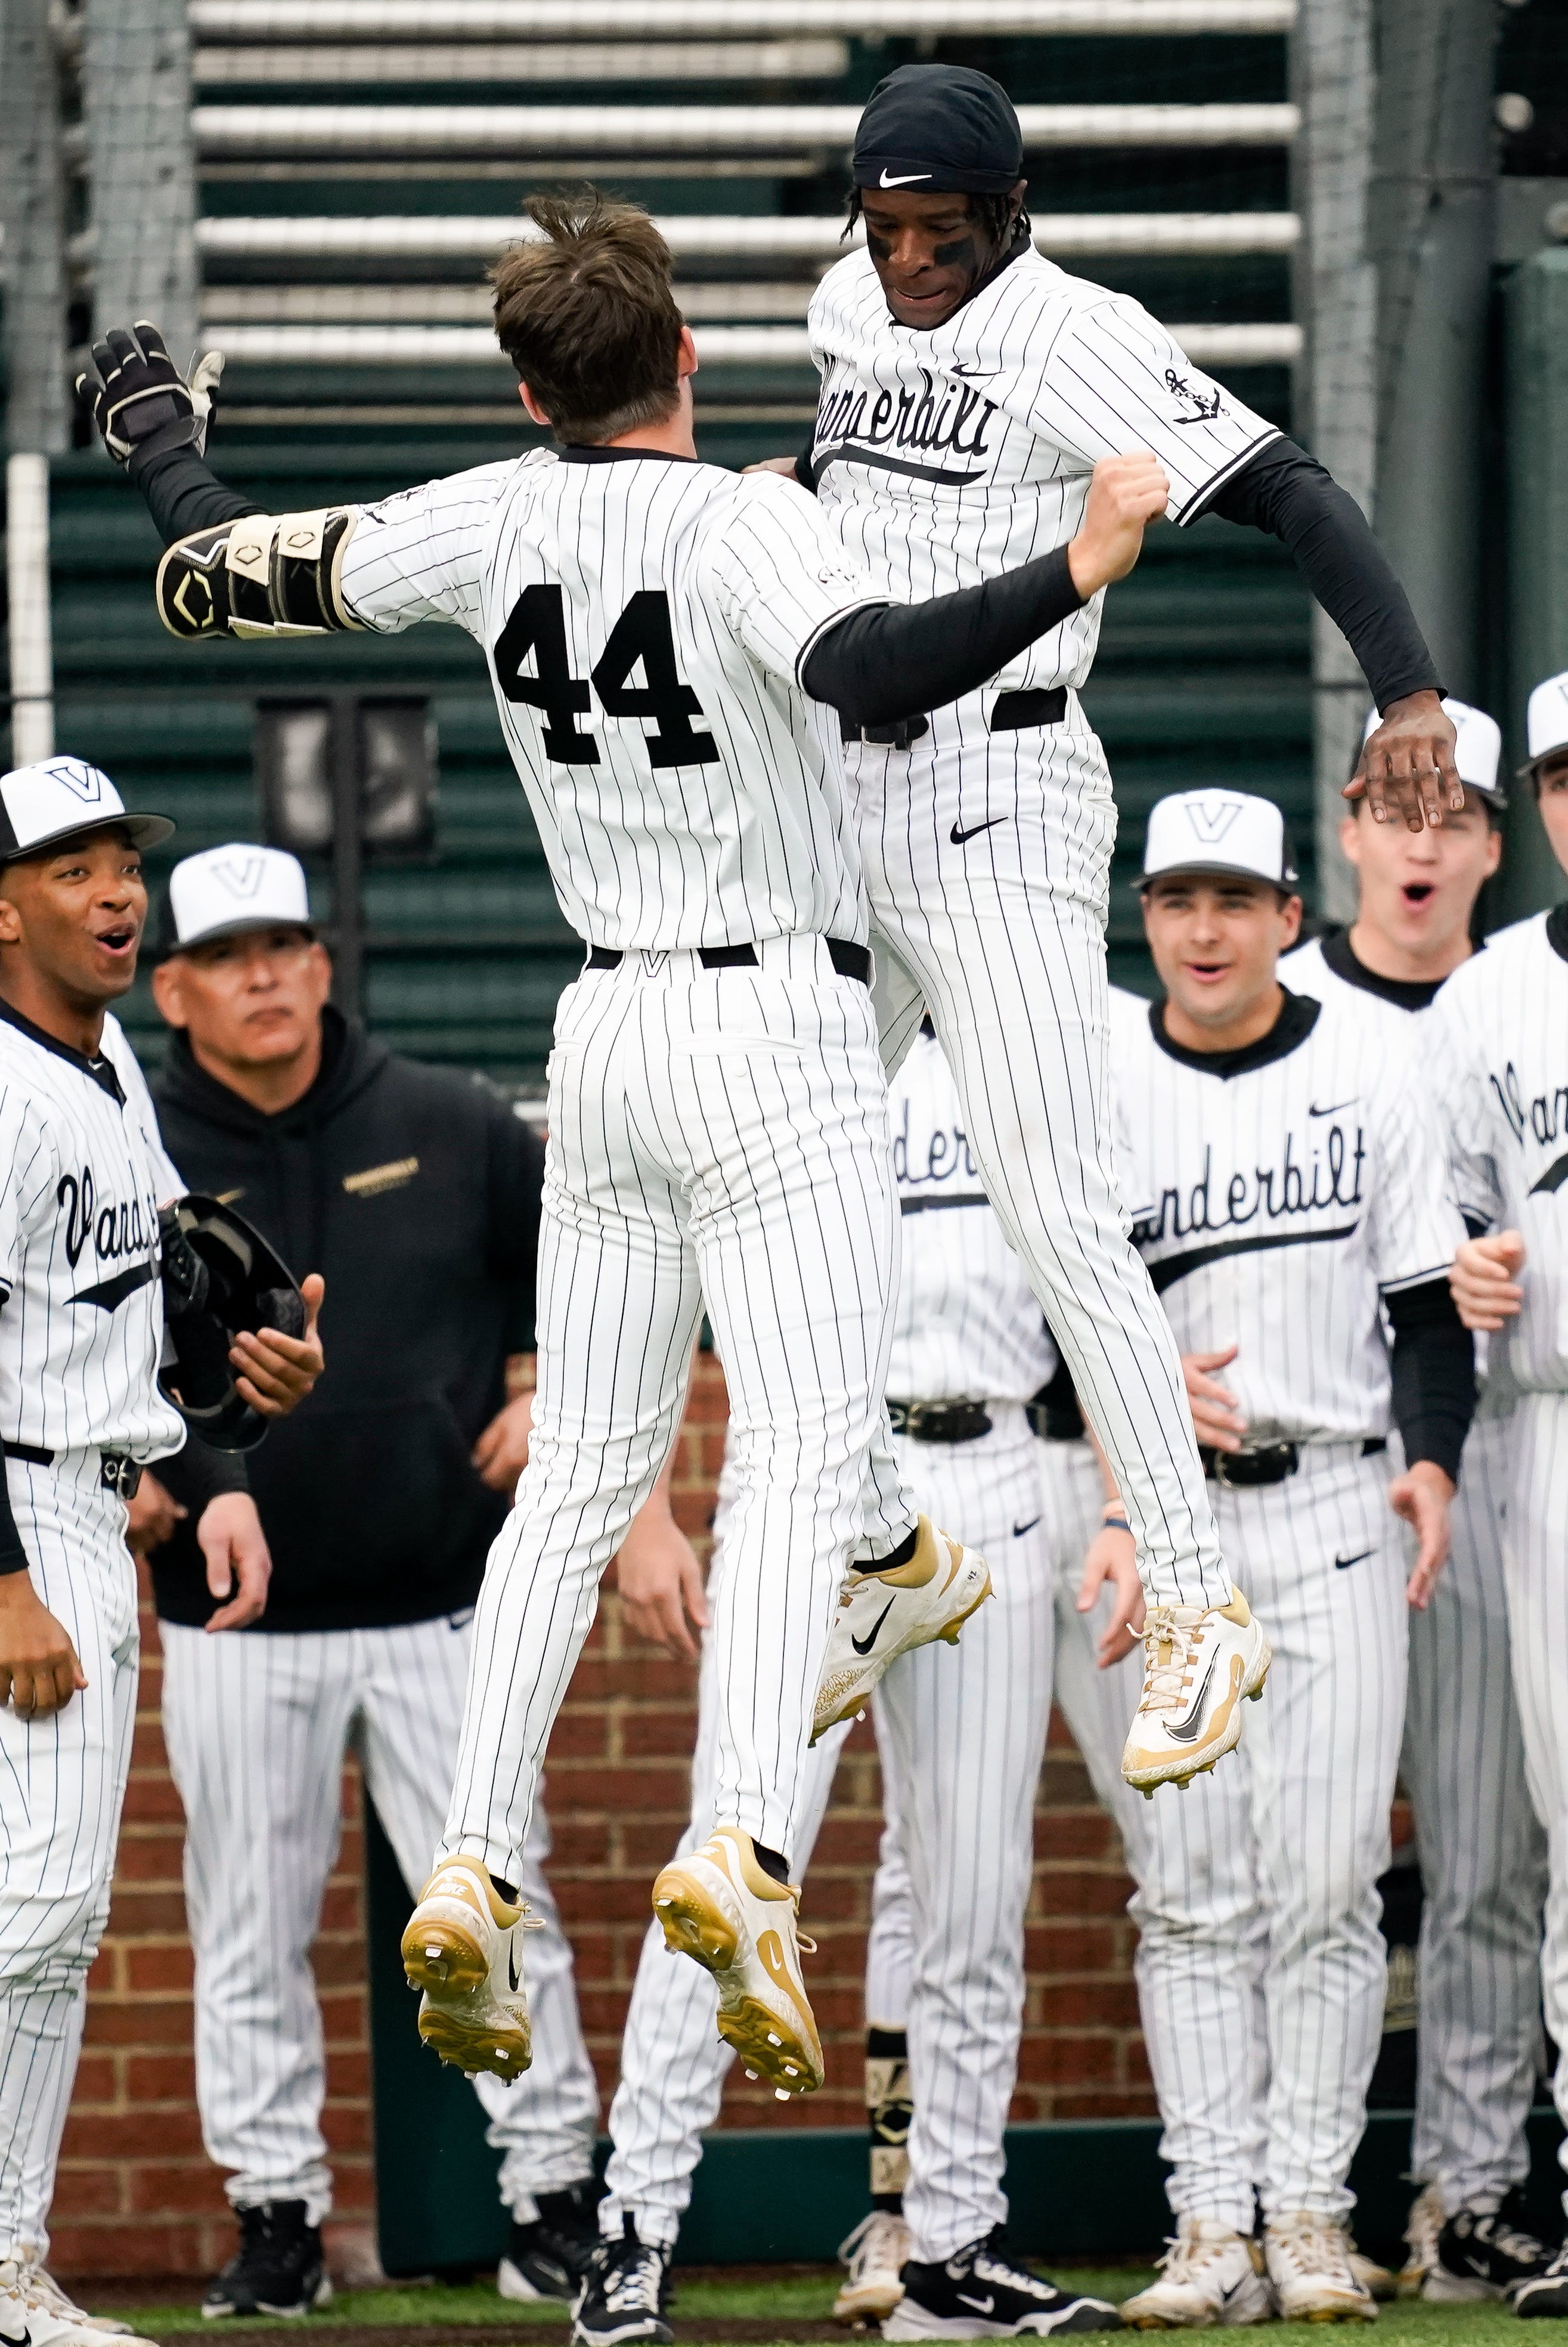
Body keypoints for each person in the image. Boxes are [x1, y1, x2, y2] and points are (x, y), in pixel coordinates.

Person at [80, 190, 1179, 2089]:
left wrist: (157, 432)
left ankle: (481, 1859)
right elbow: (877, 670)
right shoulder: (755, 518)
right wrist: (1073, 567)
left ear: (527, 385)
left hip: (591, 1027)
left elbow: (209, 575)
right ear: (683, 358)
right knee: (787, 1461)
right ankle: (743, 1840)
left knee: (581, 1472)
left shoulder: (491, 510)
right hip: (773, 1019)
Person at [751, 60, 1464, 1789]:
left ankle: (1203, 1596)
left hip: (1005, 791)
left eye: (947, 228)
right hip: (851, 784)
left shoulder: (1076, 328)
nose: (913, 256)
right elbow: (845, 486)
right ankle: (874, 1550)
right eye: (891, 223)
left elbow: (1289, 485)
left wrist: (1408, 689)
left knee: (1048, 1196)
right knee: (784, 1170)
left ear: (1013, 215)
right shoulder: (844, 298)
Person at [571, 1026, 1141, 2345]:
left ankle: (951, 2244)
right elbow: (650, 1277)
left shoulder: (1040, 1049)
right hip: (808, 1482)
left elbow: (1098, 1285)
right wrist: (645, 1504)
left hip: (994, 1478)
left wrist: (1122, 1499)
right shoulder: (771, 1031)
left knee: (973, 1891)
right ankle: (634, 2227)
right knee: (731, 1869)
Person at [128, 841, 602, 2318]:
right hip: (234, 1621)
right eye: (229, 954)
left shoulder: (454, 1120)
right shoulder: (127, 1148)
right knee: (251, 1921)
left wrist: (551, 1389)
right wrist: (144, 1469)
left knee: (498, 1904)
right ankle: (276, 2217)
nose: (266, 974)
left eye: (288, 945)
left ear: (326, 966)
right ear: (176, 986)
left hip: (445, 1598)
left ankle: (553, 2195)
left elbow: (590, 1277)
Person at [1107, 789, 1473, 2324]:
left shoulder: (1371, 1062)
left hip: (1334, 1502)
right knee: (1190, 1893)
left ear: (1281, 913)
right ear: (1147, 918)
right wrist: (1114, 1400)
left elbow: (1430, 1305)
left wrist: (1436, 1459)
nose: (1203, 929)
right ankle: (1209, 2223)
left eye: (1233, 900)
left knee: (1325, 1886)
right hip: (1171, 1522)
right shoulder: (1095, 1078)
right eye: (1177, 900)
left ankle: (1311, 2213)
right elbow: (1053, 1322)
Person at [0, 761, 322, 2347]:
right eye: (71, 867)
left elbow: (144, 1318)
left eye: (123, 859)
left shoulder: (113, 1055)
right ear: (1, 908)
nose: (117, 890)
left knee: (49, 1916)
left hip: (84, 1494)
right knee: (40, 1907)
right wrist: (4, 1580)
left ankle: (8, 2270)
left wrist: (230, 1404)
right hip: (17, 1518)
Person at [1285, 705, 1553, 2305]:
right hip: (1308, 1470)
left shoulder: (1510, 999)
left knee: (1484, 1851)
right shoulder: (1271, 993)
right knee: (1283, 1867)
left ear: (1489, 838)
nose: (1423, 844)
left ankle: (1464, 2183)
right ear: (1347, 826)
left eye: (1453, 817)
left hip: (1481, 1450)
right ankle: (1259, 2191)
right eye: (1398, 813)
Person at [1439, 670, 1568, 2321]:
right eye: (1560, 776)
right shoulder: (1489, 997)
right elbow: (1446, 1223)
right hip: (1549, 1438)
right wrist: (1462, 1269)